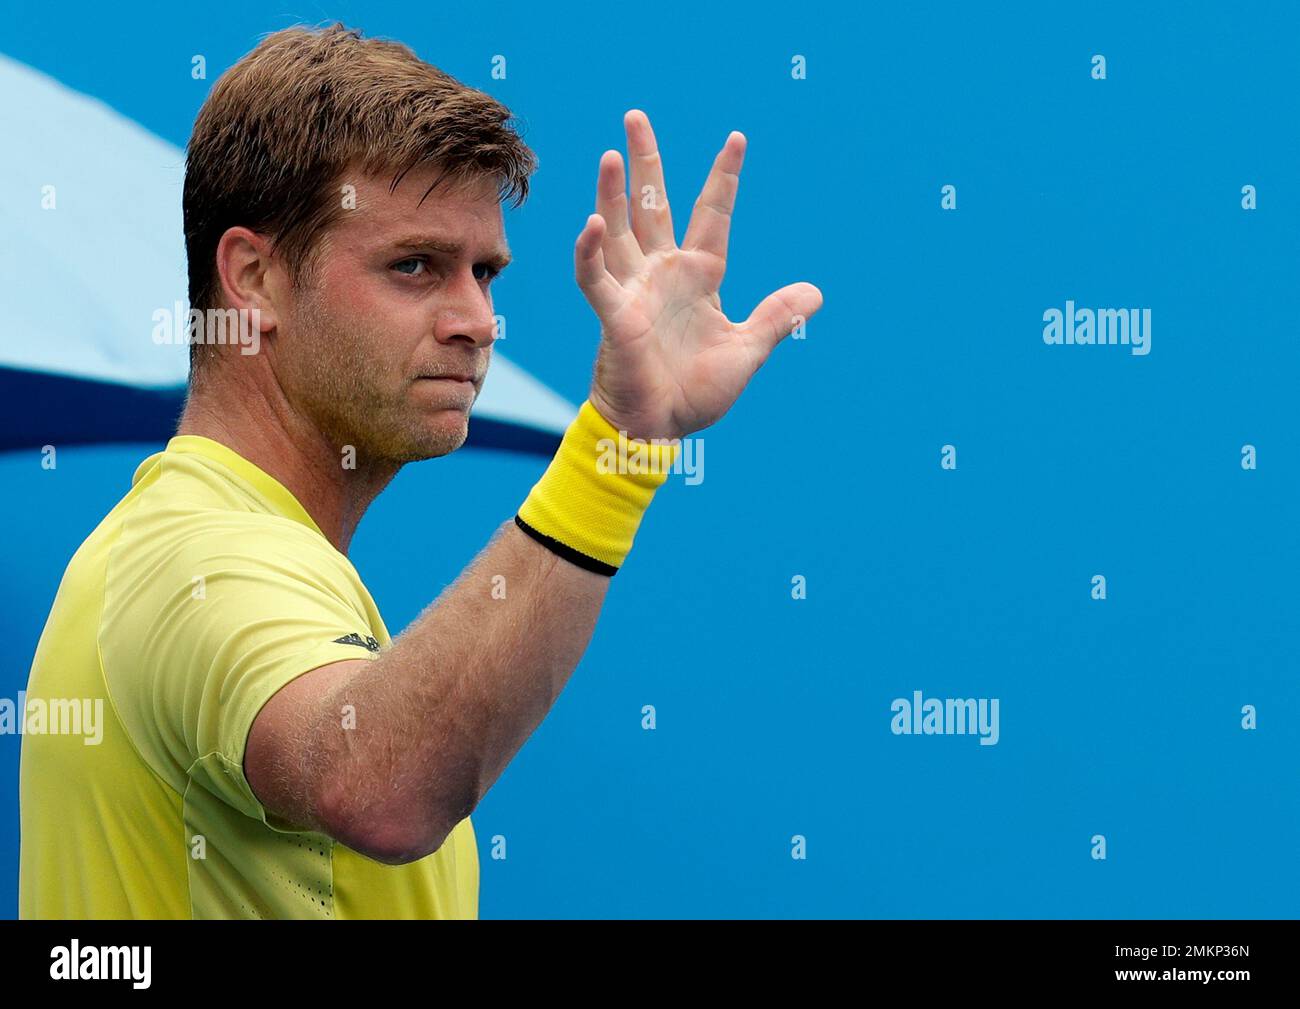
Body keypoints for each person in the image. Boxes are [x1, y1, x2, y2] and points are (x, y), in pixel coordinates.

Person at [18, 22, 822, 919]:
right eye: (415, 266)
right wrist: (617, 445)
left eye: (485, 273)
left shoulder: (217, 546)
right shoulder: (196, 561)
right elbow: (378, 787)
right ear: (253, 278)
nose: (476, 318)